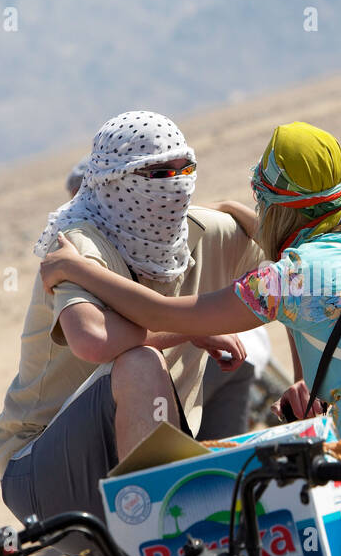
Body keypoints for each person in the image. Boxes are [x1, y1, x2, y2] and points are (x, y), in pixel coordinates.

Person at [39, 121, 341, 538]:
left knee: (220, 527)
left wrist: (76, 268)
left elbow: (162, 313)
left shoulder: (293, 278)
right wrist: (235, 211)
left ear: (275, 209)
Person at [0, 112, 262, 556]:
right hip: (41, 469)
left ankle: (174, 548)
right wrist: (191, 328)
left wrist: (238, 211)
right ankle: (170, 551)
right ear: (115, 182)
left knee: (239, 366)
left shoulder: (202, 232)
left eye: (184, 169)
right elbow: (94, 341)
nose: (174, 184)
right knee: (139, 362)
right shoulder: (78, 247)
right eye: (157, 173)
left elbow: (299, 276)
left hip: (141, 448)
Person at [60, 161, 270, 439]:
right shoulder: (90, 247)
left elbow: (291, 271)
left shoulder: (125, 243)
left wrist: (75, 270)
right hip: (227, 360)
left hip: (221, 361)